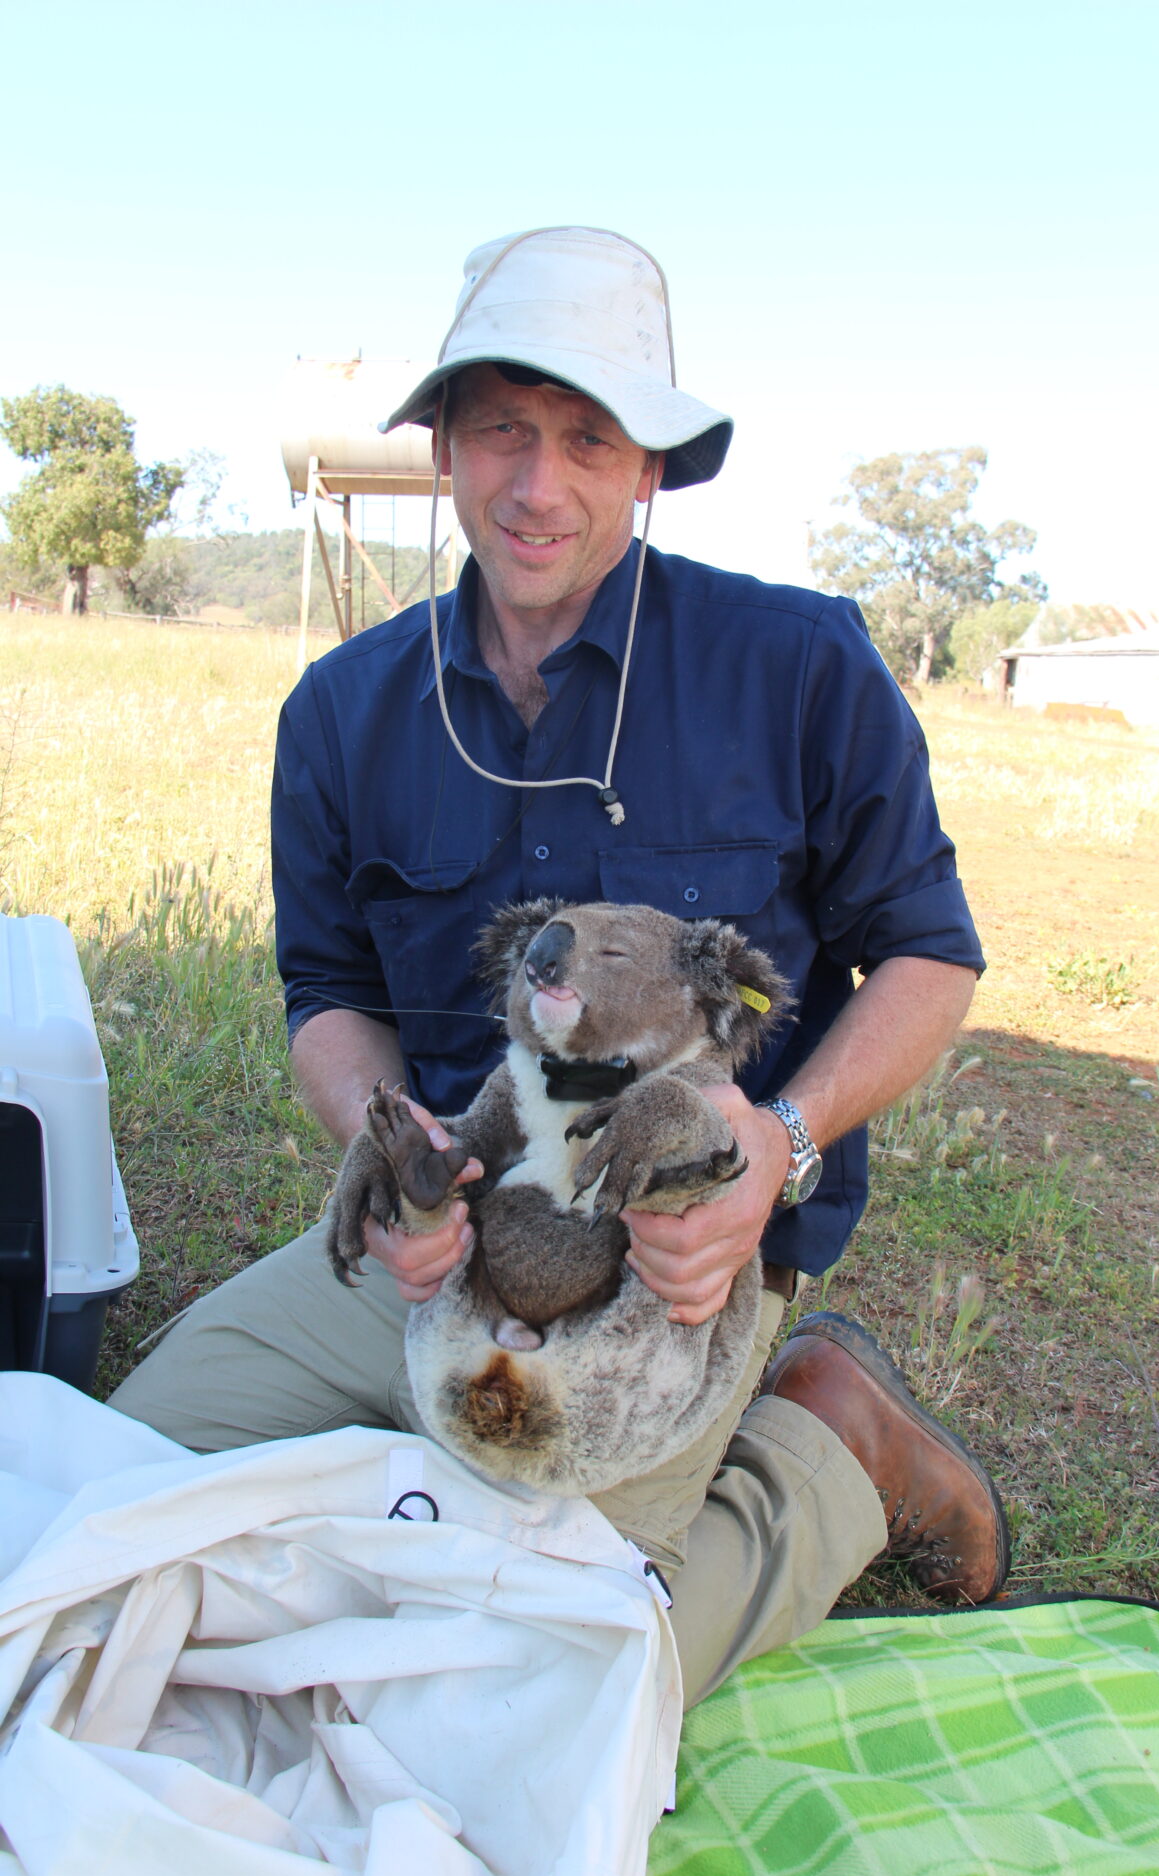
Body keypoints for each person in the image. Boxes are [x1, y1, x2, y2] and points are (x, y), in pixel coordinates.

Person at [110, 226, 1010, 1704]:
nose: (540, 485)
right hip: (459, 1230)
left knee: (546, 1691)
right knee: (115, 1495)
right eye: (505, 430)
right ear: (446, 446)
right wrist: (390, 1160)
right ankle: (436, 1469)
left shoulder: (797, 667)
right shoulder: (343, 714)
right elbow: (325, 995)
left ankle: (821, 1449)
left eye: (589, 438)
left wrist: (772, 1144)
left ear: (650, 466)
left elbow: (930, 954)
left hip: (683, 1267)